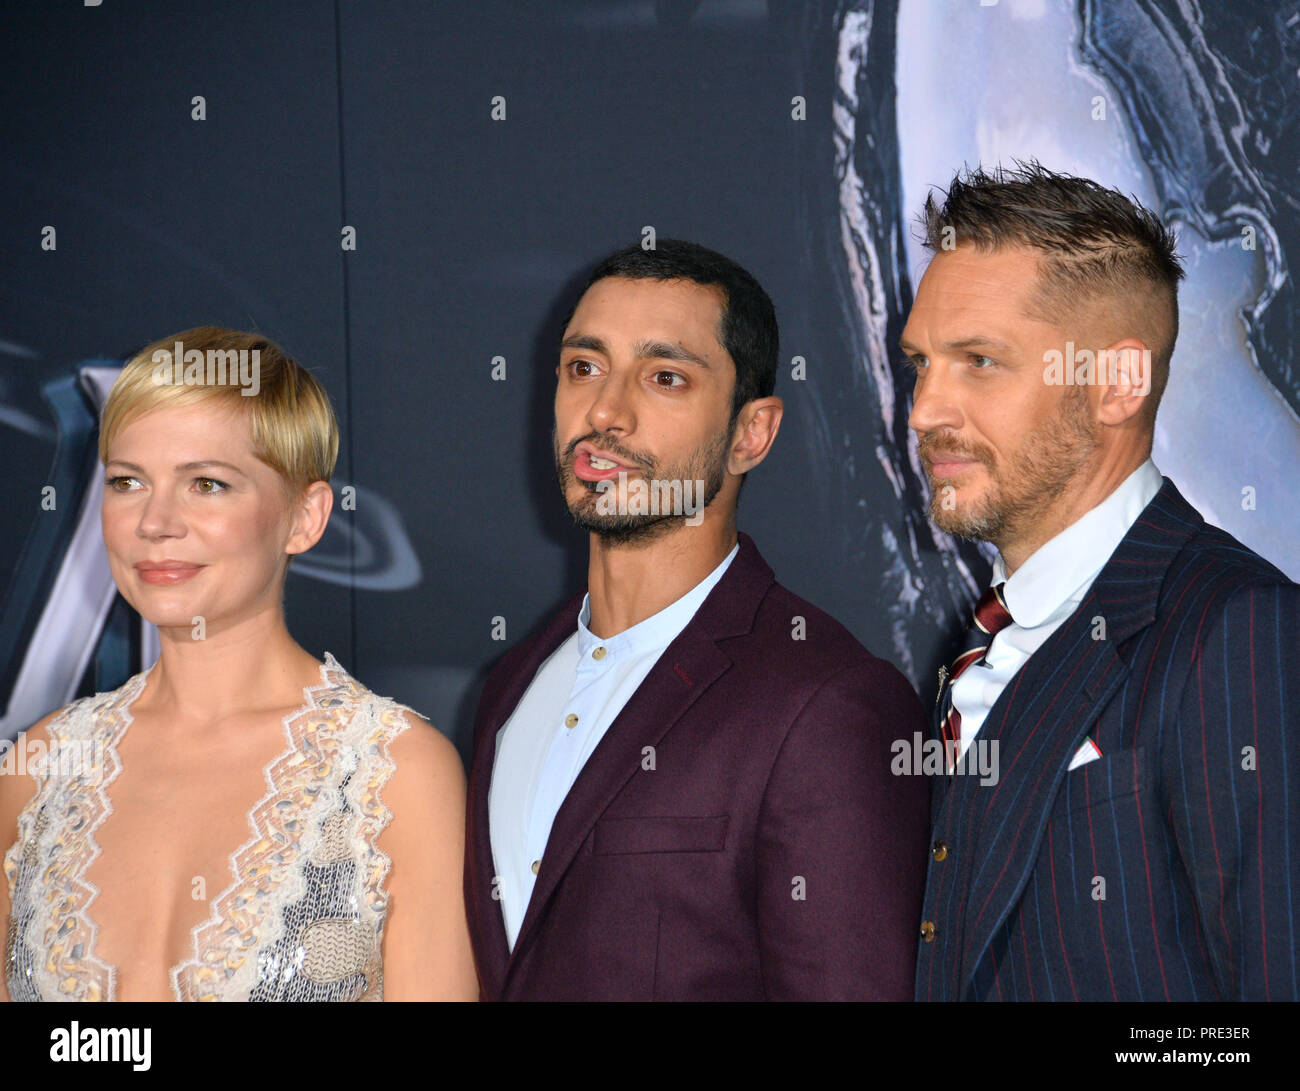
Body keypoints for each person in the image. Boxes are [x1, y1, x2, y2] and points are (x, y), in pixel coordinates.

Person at [463, 239, 929, 1001]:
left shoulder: (827, 705)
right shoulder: (514, 684)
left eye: (665, 376)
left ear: (752, 434)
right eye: (584, 367)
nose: (605, 411)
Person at [903, 162, 1300, 1001]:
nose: (925, 408)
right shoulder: (975, 646)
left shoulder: (1240, 628)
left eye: (978, 360)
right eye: (922, 363)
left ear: (1118, 383)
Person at [1, 327, 477, 1001]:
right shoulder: (40, 767)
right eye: (128, 481)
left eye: (207, 483)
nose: (156, 521)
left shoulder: (395, 772)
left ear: (305, 518)